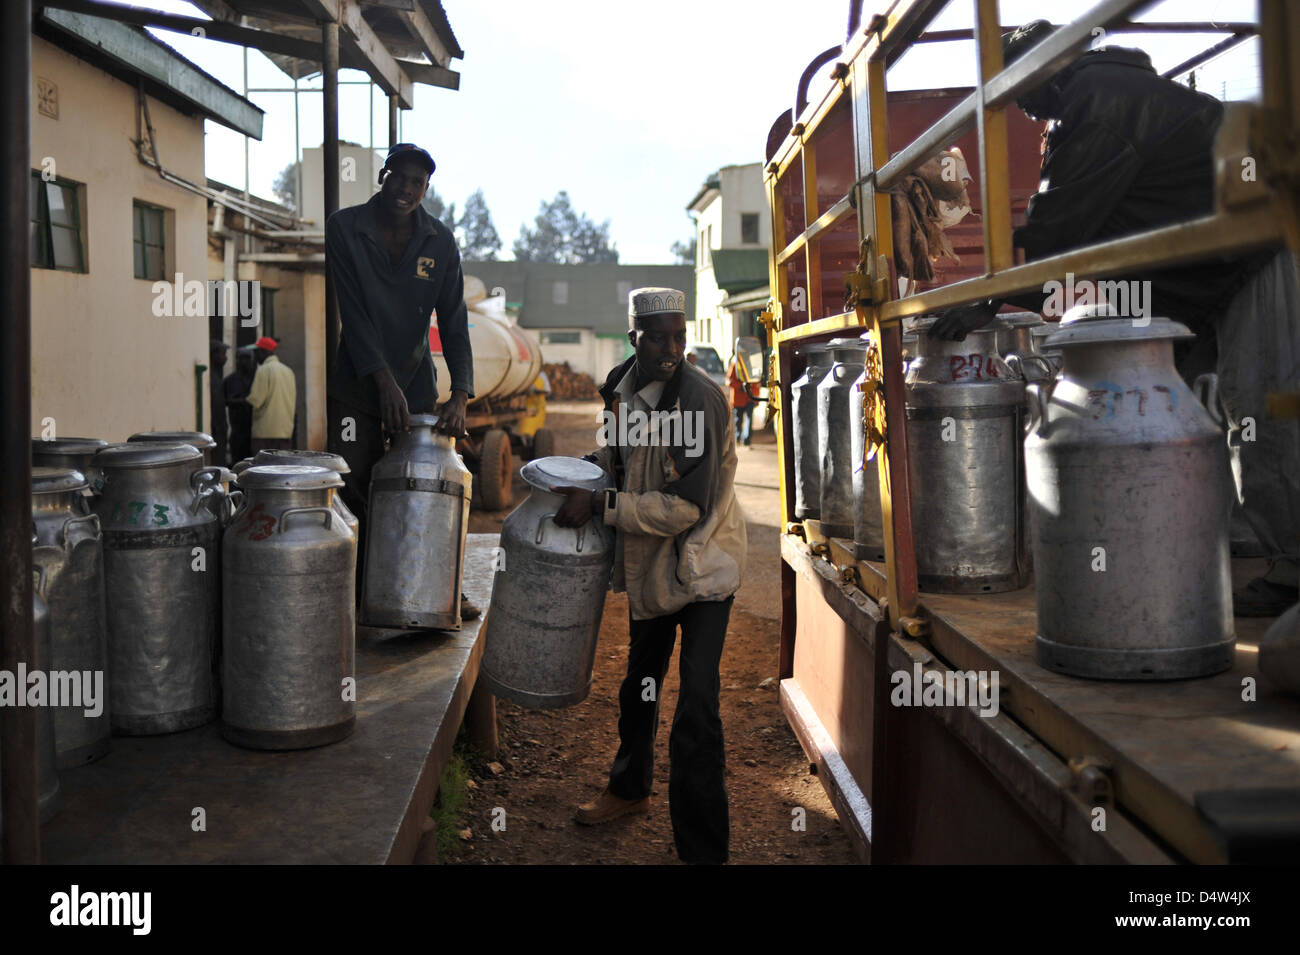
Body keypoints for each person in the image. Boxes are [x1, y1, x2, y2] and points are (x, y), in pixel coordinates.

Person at [928, 20, 1299, 616]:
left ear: (1047, 67)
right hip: (1207, 268)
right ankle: (1241, 532)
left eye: (1017, 89)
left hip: (1257, 244)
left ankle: (1294, 571)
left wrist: (988, 298)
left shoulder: (1099, 104)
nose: (1019, 108)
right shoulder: (1093, 100)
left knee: (1260, 402)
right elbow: (1068, 235)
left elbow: (1058, 232)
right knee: (1209, 404)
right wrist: (999, 288)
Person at [551, 287, 748, 865]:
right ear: (634, 335)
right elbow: (615, 457)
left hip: (703, 568)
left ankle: (703, 852)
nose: (671, 349)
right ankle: (629, 789)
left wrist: (604, 506)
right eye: (658, 337)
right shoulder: (619, 386)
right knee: (640, 687)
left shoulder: (701, 400)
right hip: (653, 570)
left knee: (697, 710)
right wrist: (578, 476)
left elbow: (687, 507)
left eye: (679, 337)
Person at [324, 142, 479, 619]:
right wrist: (381, 382)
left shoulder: (439, 240)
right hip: (358, 385)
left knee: (426, 486)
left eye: (418, 182)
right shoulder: (346, 228)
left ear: (425, 189)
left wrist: (460, 394)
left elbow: (454, 320)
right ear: (383, 176)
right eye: (400, 177)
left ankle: (438, 590)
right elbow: (353, 311)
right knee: (355, 489)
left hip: (415, 386)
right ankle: (359, 598)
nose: (407, 189)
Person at [245, 336, 297, 453]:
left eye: (256, 352)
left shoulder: (263, 370)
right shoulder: (288, 371)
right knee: (281, 468)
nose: (255, 356)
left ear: (263, 352)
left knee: (264, 468)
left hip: (265, 432)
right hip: (285, 431)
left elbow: (256, 400)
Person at [224, 346, 256, 463]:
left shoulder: (257, 378)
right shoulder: (230, 380)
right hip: (237, 429)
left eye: (247, 358)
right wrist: (243, 401)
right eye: (241, 358)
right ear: (236, 360)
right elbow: (226, 400)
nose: (244, 362)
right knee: (238, 461)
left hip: (254, 428)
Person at [726, 350, 758, 447]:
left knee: (749, 419)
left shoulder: (753, 367)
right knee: (738, 420)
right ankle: (738, 438)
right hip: (738, 400)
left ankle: (747, 441)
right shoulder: (735, 365)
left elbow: (757, 382)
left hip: (749, 398)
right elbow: (729, 381)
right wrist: (740, 387)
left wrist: (755, 397)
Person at [209, 339, 229, 465]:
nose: (225, 358)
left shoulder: (216, 375)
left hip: (220, 427)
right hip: (216, 428)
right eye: (223, 354)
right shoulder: (211, 376)